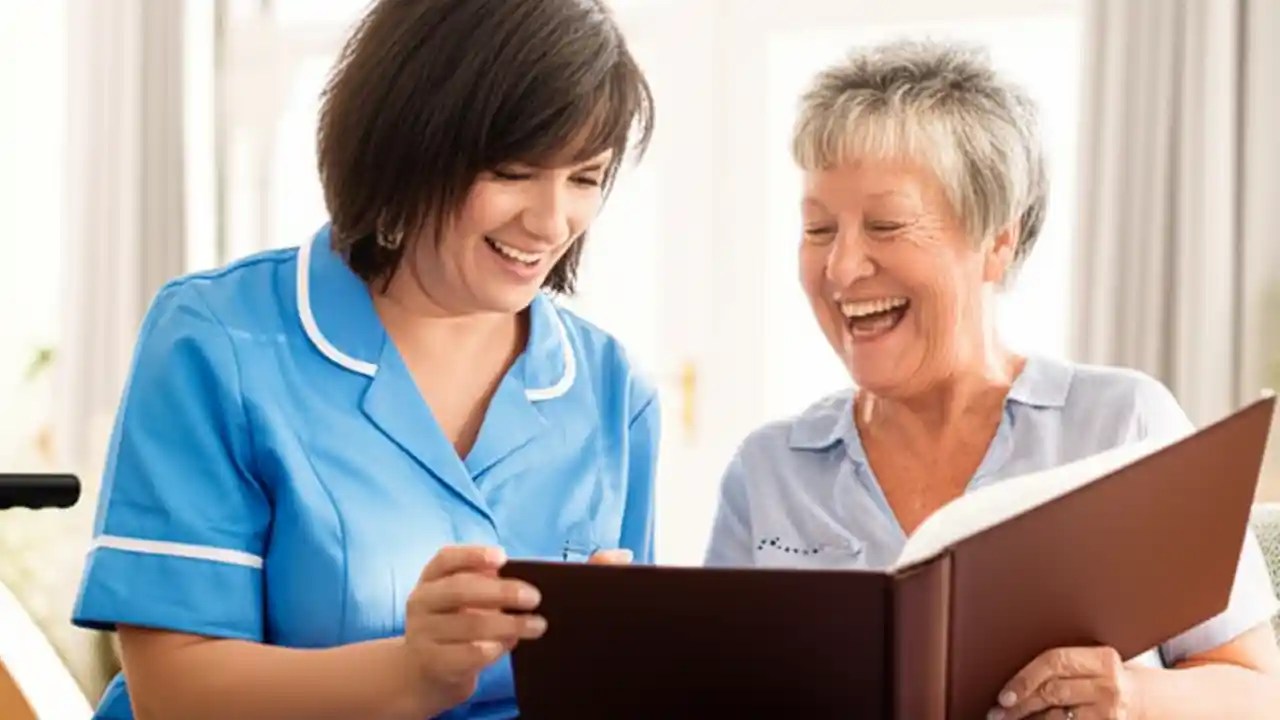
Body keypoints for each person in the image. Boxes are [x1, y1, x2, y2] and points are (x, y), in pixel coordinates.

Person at [71, 1, 657, 718]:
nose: (550, 220)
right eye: (512, 171)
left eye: (586, 178)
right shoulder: (218, 341)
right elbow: (174, 690)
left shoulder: (610, 392)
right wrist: (414, 672)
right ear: (407, 143)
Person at [704, 38, 1280, 718]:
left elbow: (1256, 694)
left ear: (997, 242)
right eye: (819, 229)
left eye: (885, 225)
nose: (841, 268)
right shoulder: (768, 472)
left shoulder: (1123, 423)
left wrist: (1131, 697)